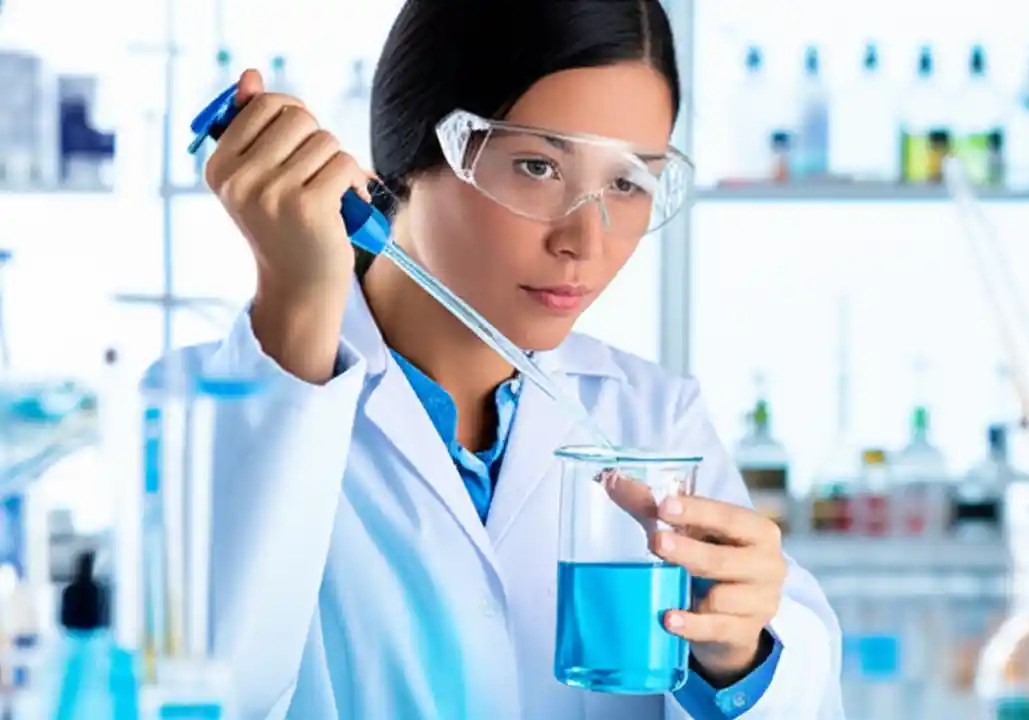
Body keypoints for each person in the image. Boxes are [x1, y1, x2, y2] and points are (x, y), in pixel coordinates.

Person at [180, 1, 843, 717]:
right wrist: (298, 305)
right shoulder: (218, 402)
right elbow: (204, 685)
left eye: (627, 183)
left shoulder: (653, 416)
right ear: (412, 147)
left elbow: (807, 697)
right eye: (537, 165)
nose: (585, 241)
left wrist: (737, 656)